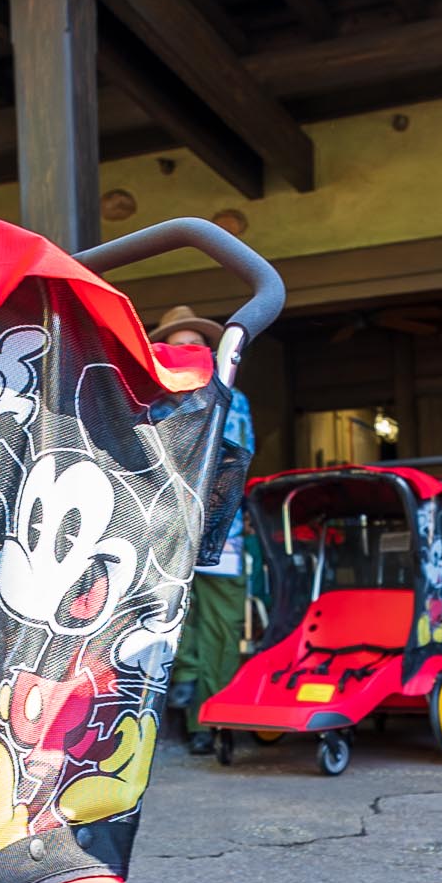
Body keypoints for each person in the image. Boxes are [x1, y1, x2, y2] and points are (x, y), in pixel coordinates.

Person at [151, 305, 256, 756]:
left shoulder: (232, 397)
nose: (188, 351)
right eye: (178, 346)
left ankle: (210, 720)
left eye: (196, 345)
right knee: (168, 623)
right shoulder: (149, 402)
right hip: (162, 531)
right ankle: (178, 696)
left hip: (220, 530)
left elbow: (236, 459)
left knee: (221, 628)